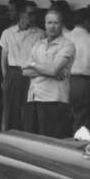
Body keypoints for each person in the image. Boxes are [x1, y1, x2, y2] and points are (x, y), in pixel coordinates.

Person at [21, 8, 75, 138]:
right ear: (44, 24)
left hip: (53, 99)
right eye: (49, 22)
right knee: (31, 141)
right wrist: (48, 71)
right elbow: (25, 71)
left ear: (61, 25)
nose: (52, 26)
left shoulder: (67, 45)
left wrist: (34, 65)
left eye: (56, 23)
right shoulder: (38, 44)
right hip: (34, 96)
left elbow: (53, 70)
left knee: (48, 142)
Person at [0, 0, 42, 131]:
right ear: (21, 14)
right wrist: (5, 78)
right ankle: (7, 141)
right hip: (13, 72)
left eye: (34, 14)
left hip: (30, 74)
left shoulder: (40, 34)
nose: (32, 17)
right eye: (29, 14)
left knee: (28, 111)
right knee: (10, 110)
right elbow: (3, 58)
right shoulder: (8, 32)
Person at [63, 3, 90, 135]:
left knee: (62, 119)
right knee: (82, 122)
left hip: (62, 81)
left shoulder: (63, 38)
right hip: (84, 84)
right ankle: (76, 150)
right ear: (87, 21)